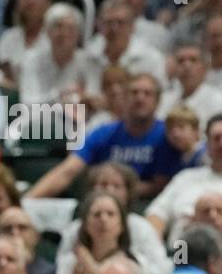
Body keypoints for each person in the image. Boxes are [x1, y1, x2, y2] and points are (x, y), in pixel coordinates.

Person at [26, 72, 181, 199]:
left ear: (158, 101)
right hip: (101, 201)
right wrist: (27, 201)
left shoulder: (166, 136)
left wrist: (113, 190)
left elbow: (160, 186)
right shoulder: (104, 133)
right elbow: (67, 171)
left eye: (147, 94)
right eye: (134, 93)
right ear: (124, 98)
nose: (140, 98)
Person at [146, 114, 222, 247]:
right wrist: (155, 250)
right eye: (217, 138)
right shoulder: (185, 177)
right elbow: (156, 214)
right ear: (207, 144)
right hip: (181, 249)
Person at [53, 190, 137, 274]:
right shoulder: (68, 263)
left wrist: (93, 270)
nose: (103, 219)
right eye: (97, 214)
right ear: (86, 224)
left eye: (110, 214)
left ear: (122, 225)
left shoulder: (134, 264)